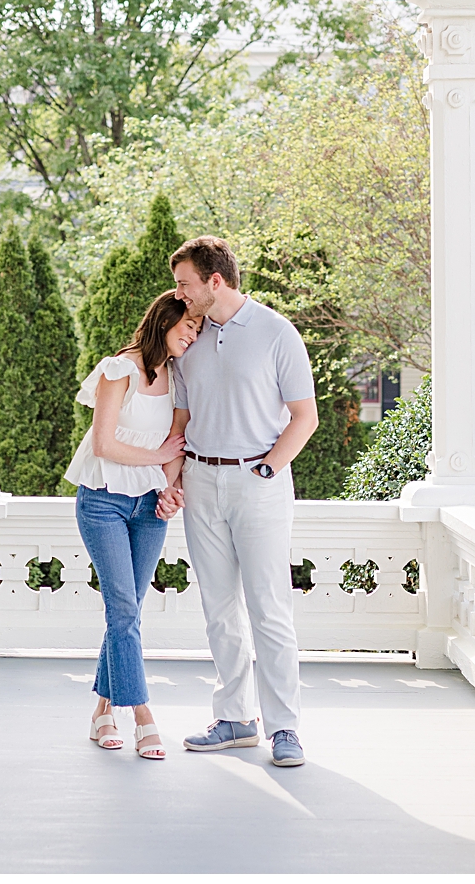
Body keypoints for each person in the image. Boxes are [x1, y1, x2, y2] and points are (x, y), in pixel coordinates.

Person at [159, 237, 319, 767]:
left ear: (215, 281)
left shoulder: (277, 333)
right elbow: (181, 420)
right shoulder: (189, 338)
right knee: (219, 608)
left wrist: (269, 467)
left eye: (185, 283)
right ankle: (234, 718)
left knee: (269, 607)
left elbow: (304, 416)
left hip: (260, 481)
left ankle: (285, 729)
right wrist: (175, 479)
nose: (178, 293)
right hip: (202, 480)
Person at [64, 291, 199, 761]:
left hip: (148, 505)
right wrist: (159, 456)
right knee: (123, 609)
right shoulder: (117, 370)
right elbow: (103, 444)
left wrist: (168, 488)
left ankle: (102, 710)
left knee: (129, 613)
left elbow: (176, 443)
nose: (193, 333)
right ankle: (142, 714)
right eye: (188, 325)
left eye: (198, 329)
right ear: (165, 320)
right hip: (103, 500)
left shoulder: (178, 378)